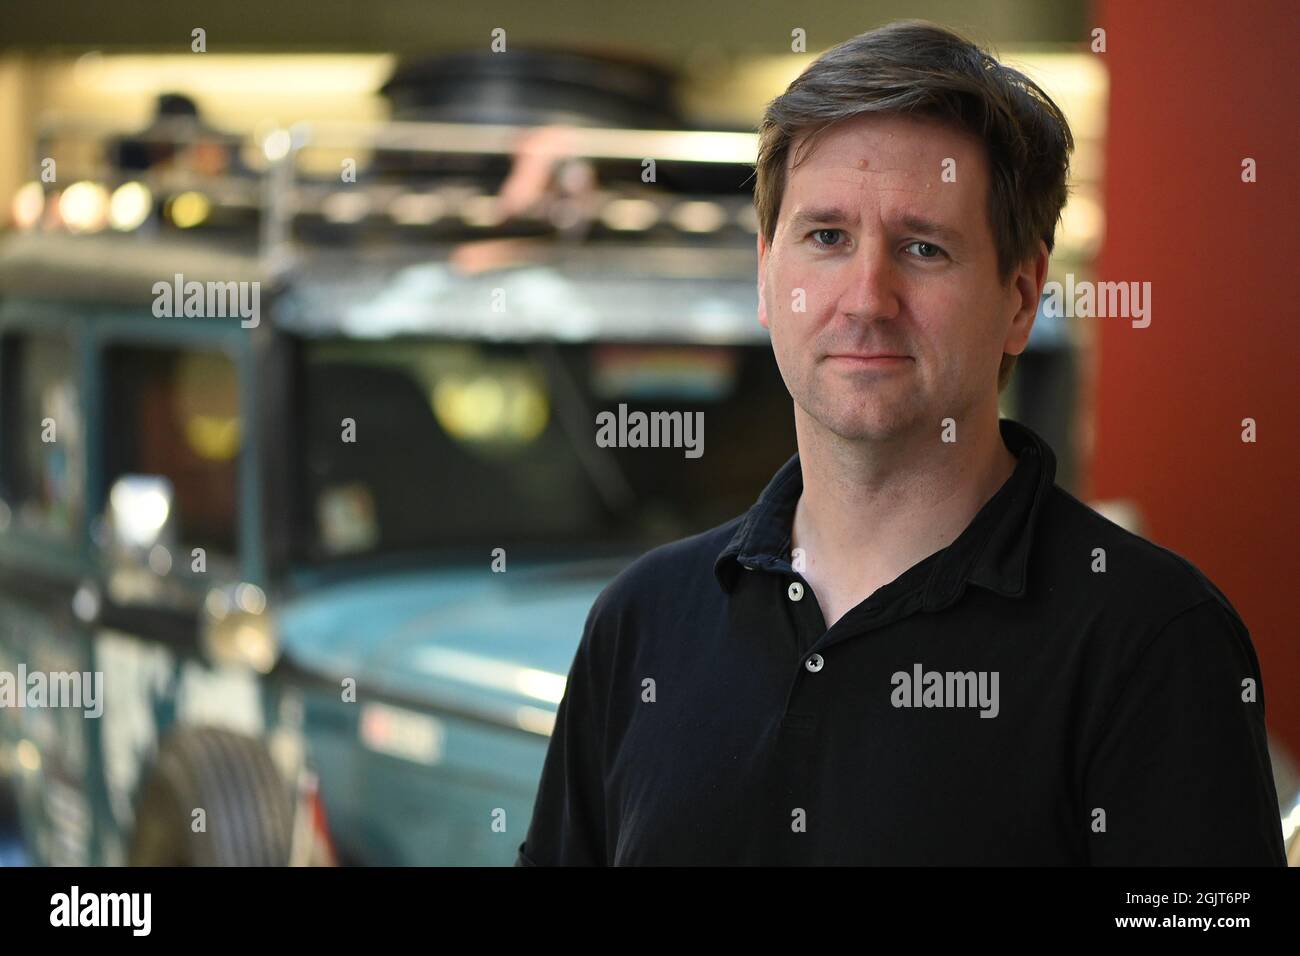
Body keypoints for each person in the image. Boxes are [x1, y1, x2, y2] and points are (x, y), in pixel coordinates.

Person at [515, 20, 1286, 865]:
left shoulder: (1153, 641)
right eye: (827, 238)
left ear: (1022, 296)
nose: (866, 298)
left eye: (923, 248)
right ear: (766, 273)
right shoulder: (642, 620)